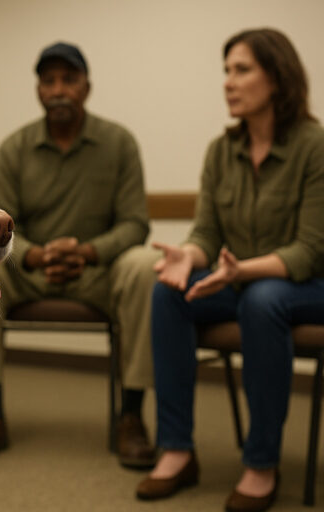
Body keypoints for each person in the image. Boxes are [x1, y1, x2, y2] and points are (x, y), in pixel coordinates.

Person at [136, 28, 324, 512]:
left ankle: (262, 462)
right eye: (226, 71)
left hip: (305, 285)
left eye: (242, 70)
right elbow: (206, 234)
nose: (228, 82)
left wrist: (241, 273)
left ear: (277, 79)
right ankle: (177, 449)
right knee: (168, 292)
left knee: (264, 299)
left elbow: (307, 252)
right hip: (237, 278)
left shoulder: (314, 146)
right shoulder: (222, 151)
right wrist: (188, 258)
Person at [0, 41, 160, 466]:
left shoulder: (119, 143)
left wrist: (87, 251)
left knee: (144, 266)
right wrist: (32, 255)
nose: (58, 89)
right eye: (48, 81)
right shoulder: (16, 148)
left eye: (69, 79)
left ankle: (132, 416)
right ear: (38, 91)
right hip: (30, 269)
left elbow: (135, 224)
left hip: (97, 270)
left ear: (87, 87)